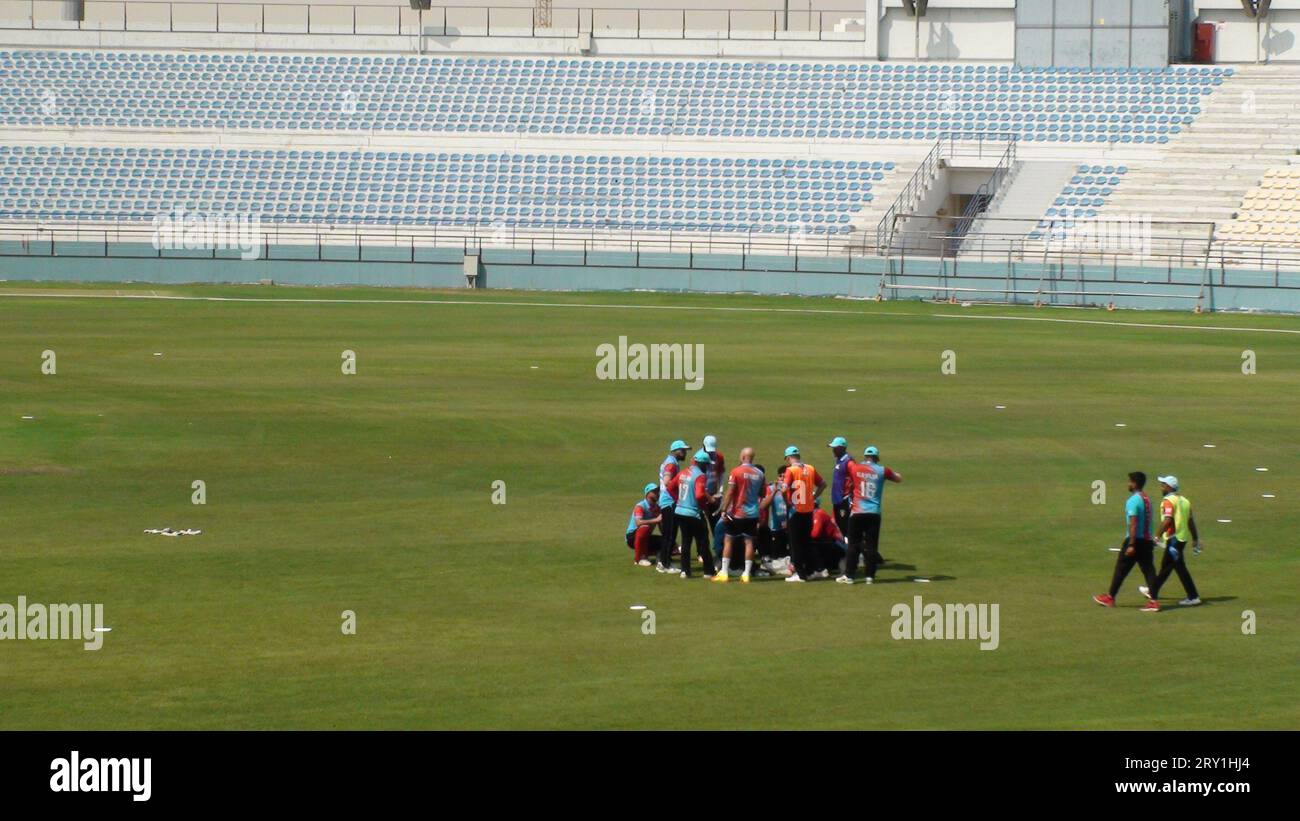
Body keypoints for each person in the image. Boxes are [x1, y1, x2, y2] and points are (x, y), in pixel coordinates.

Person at [1094, 471, 1161, 612]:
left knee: (1121, 569)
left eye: (1130, 481)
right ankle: (1154, 601)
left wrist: (1131, 544)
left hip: (1135, 541)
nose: (1128, 484)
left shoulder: (1133, 501)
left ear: (1135, 483)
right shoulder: (1147, 499)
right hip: (1147, 540)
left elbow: (1133, 523)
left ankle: (1110, 597)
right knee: (1149, 571)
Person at [840, 445, 902, 584]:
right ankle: (870, 576)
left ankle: (849, 575)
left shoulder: (855, 468)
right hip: (874, 513)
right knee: (872, 545)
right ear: (876, 458)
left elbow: (847, 475)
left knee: (853, 545)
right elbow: (898, 478)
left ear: (865, 457)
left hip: (857, 512)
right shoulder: (882, 470)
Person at [1140, 476, 1202, 606]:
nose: (1161, 487)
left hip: (1173, 539)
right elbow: (1190, 521)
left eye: (1163, 485)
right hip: (1181, 539)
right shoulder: (1185, 501)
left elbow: (1167, 520)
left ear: (1169, 487)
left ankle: (1193, 596)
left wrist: (1156, 536)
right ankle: (1153, 590)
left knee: (1170, 566)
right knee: (1172, 566)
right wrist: (1195, 538)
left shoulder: (1168, 501)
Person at [713, 448, 765, 584]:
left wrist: (723, 509)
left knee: (728, 540)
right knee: (749, 542)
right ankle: (746, 573)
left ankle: (724, 572)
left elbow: (730, 492)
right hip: (753, 513)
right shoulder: (759, 474)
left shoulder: (736, 471)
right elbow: (762, 493)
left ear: (742, 456)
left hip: (738, 513)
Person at [779, 446, 827, 582]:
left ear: (788, 458)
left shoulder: (790, 470)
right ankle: (812, 569)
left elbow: (784, 489)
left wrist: (787, 501)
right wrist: (814, 496)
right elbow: (823, 484)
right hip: (809, 510)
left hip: (795, 511)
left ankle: (800, 574)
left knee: (795, 543)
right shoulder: (810, 468)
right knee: (806, 542)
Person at [673, 450, 717, 579]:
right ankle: (709, 571)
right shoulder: (700, 475)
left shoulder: (683, 472)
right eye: (706, 464)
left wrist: (679, 500)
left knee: (686, 541)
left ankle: (685, 571)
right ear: (702, 464)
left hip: (680, 511)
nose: (707, 467)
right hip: (693, 513)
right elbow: (699, 495)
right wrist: (704, 508)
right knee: (703, 541)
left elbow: (670, 487)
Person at [655, 440, 689, 574]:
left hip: (667, 501)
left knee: (669, 534)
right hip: (669, 502)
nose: (685, 453)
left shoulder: (670, 462)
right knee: (670, 534)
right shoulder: (671, 464)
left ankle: (664, 561)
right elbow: (667, 481)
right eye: (683, 450)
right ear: (676, 451)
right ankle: (665, 564)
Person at [758, 465, 790, 567]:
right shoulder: (771, 488)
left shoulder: (794, 488)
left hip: (791, 526)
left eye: (785, 476)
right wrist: (775, 491)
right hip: (777, 528)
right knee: (777, 556)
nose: (782, 478)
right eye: (780, 476)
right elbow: (763, 506)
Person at [625, 483, 662, 566]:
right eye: (654, 491)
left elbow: (662, 529)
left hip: (646, 536)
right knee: (644, 528)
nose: (657, 494)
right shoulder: (640, 506)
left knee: (666, 541)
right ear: (647, 493)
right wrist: (656, 519)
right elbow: (638, 522)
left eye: (657, 491)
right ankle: (640, 558)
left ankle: (659, 555)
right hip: (632, 536)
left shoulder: (657, 508)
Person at [810, 500, 847, 577]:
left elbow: (815, 534)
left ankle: (820, 569)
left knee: (810, 544)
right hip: (836, 545)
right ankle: (826, 566)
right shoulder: (818, 513)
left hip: (838, 546)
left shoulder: (818, 514)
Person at [827, 436, 854, 541]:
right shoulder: (839, 460)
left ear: (842, 448)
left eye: (835, 448)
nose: (833, 450)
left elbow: (855, 479)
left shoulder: (849, 462)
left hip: (844, 500)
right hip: (837, 500)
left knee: (845, 528)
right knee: (840, 527)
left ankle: (853, 553)